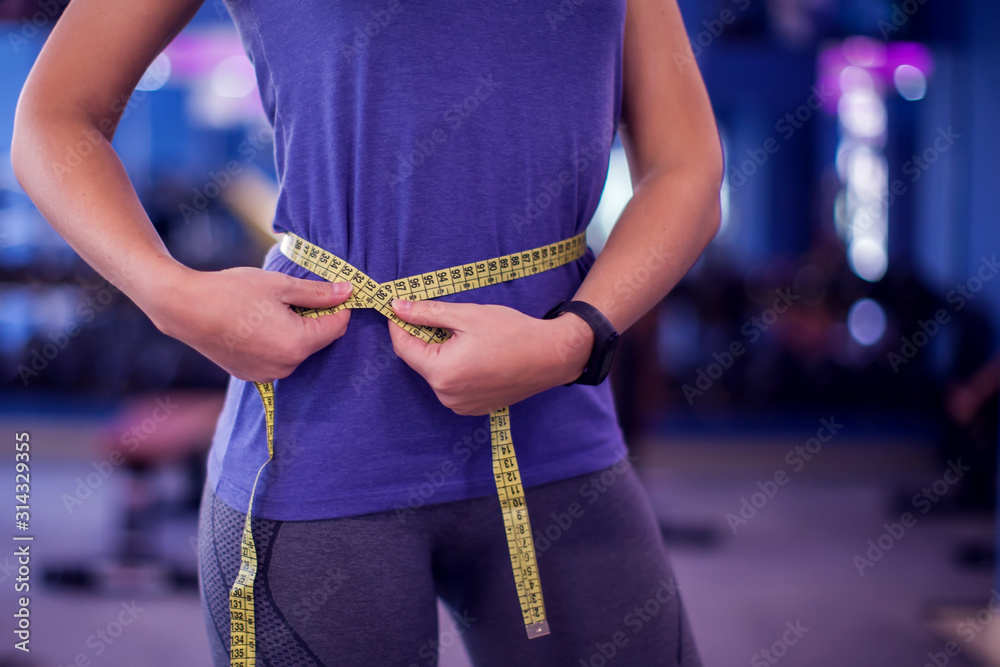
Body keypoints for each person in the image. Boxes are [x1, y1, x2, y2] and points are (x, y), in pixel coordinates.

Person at [12, 0, 723, 664]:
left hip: (559, 429)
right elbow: (54, 116)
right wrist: (169, 294)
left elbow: (684, 164)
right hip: (317, 449)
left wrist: (573, 338)